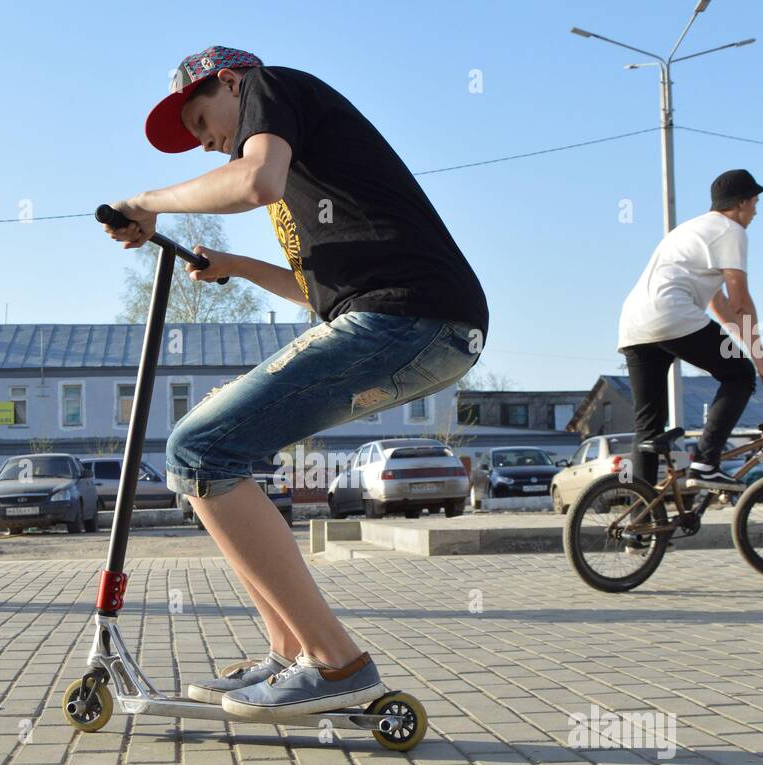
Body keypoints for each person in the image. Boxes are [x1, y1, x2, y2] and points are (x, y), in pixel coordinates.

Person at [102, 46, 488, 720]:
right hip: (422, 323)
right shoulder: (304, 182)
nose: (205, 144)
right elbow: (315, 293)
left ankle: (337, 663)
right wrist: (235, 266)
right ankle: (289, 653)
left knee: (199, 447)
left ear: (229, 82)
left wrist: (144, 202)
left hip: (408, 315)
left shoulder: (271, 88)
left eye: (201, 122)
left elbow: (254, 181)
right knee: (216, 459)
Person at [618, 169, 763, 492]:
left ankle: (642, 526)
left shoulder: (690, 230)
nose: (756, 211)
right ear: (741, 203)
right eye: (755, 203)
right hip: (671, 315)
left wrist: (748, 346)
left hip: (634, 325)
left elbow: (720, 305)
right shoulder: (731, 230)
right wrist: (760, 361)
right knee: (739, 375)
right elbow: (741, 300)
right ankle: (705, 463)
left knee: (647, 429)